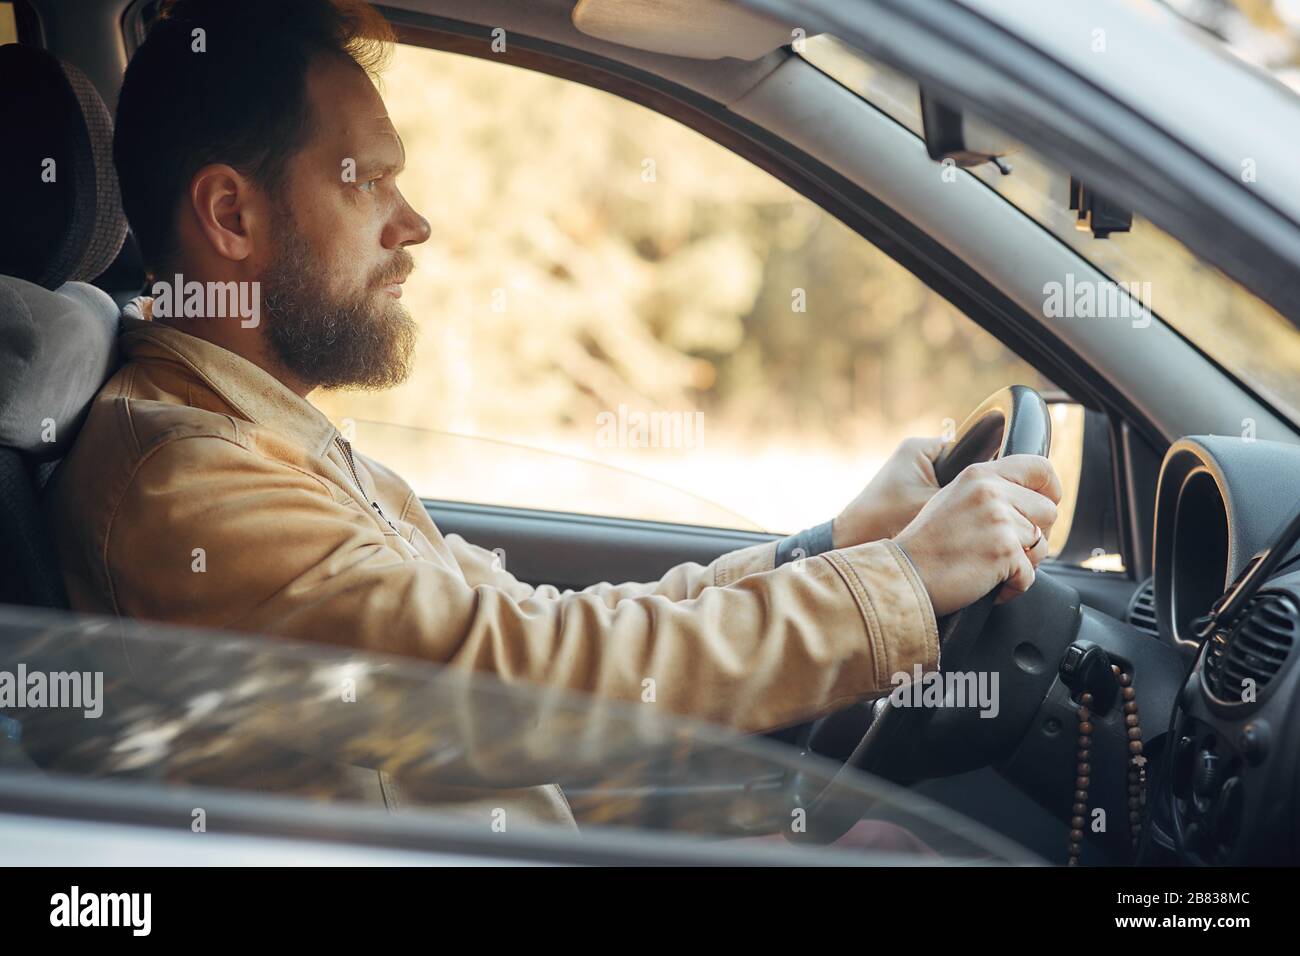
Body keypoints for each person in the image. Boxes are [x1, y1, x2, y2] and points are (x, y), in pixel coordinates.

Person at [46, 0, 1060, 831]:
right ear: (231, 216)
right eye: (371, 183)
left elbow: (537, 631)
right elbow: (520, 687)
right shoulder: (186, 482)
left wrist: (833, 545)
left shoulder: (262, 435)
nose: (415, 224)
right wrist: (898, 584)